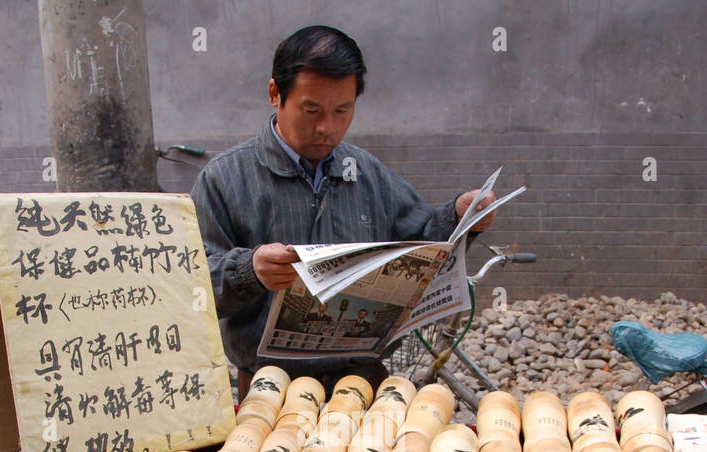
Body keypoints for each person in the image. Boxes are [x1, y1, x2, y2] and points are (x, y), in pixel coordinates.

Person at [190, 25, 497, 398]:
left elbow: (424, 240)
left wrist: (460, 216)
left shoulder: (367, 173)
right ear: (275, 94)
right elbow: (192, 284)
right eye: (311, 110)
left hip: (363, 380)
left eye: (342, 110)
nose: (327, 127)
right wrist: (249, 269)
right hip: (270, 387)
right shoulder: (225, 179)